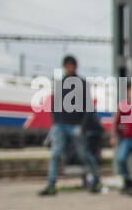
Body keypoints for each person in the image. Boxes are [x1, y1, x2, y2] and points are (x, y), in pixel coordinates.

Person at [39, 54, 101, 195]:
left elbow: (88, 107)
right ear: (64, 67)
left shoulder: (82, 83)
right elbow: (55, 104)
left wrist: (83, 125)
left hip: (76, 125)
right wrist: (55, 121)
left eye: (71, 65)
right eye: (67, 65)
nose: (69, 68)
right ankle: (51, 185)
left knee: (84, 154)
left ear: (75, 67)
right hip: (61, 124)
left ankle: (96, 179)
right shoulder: (60, 84)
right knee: (56, 154)